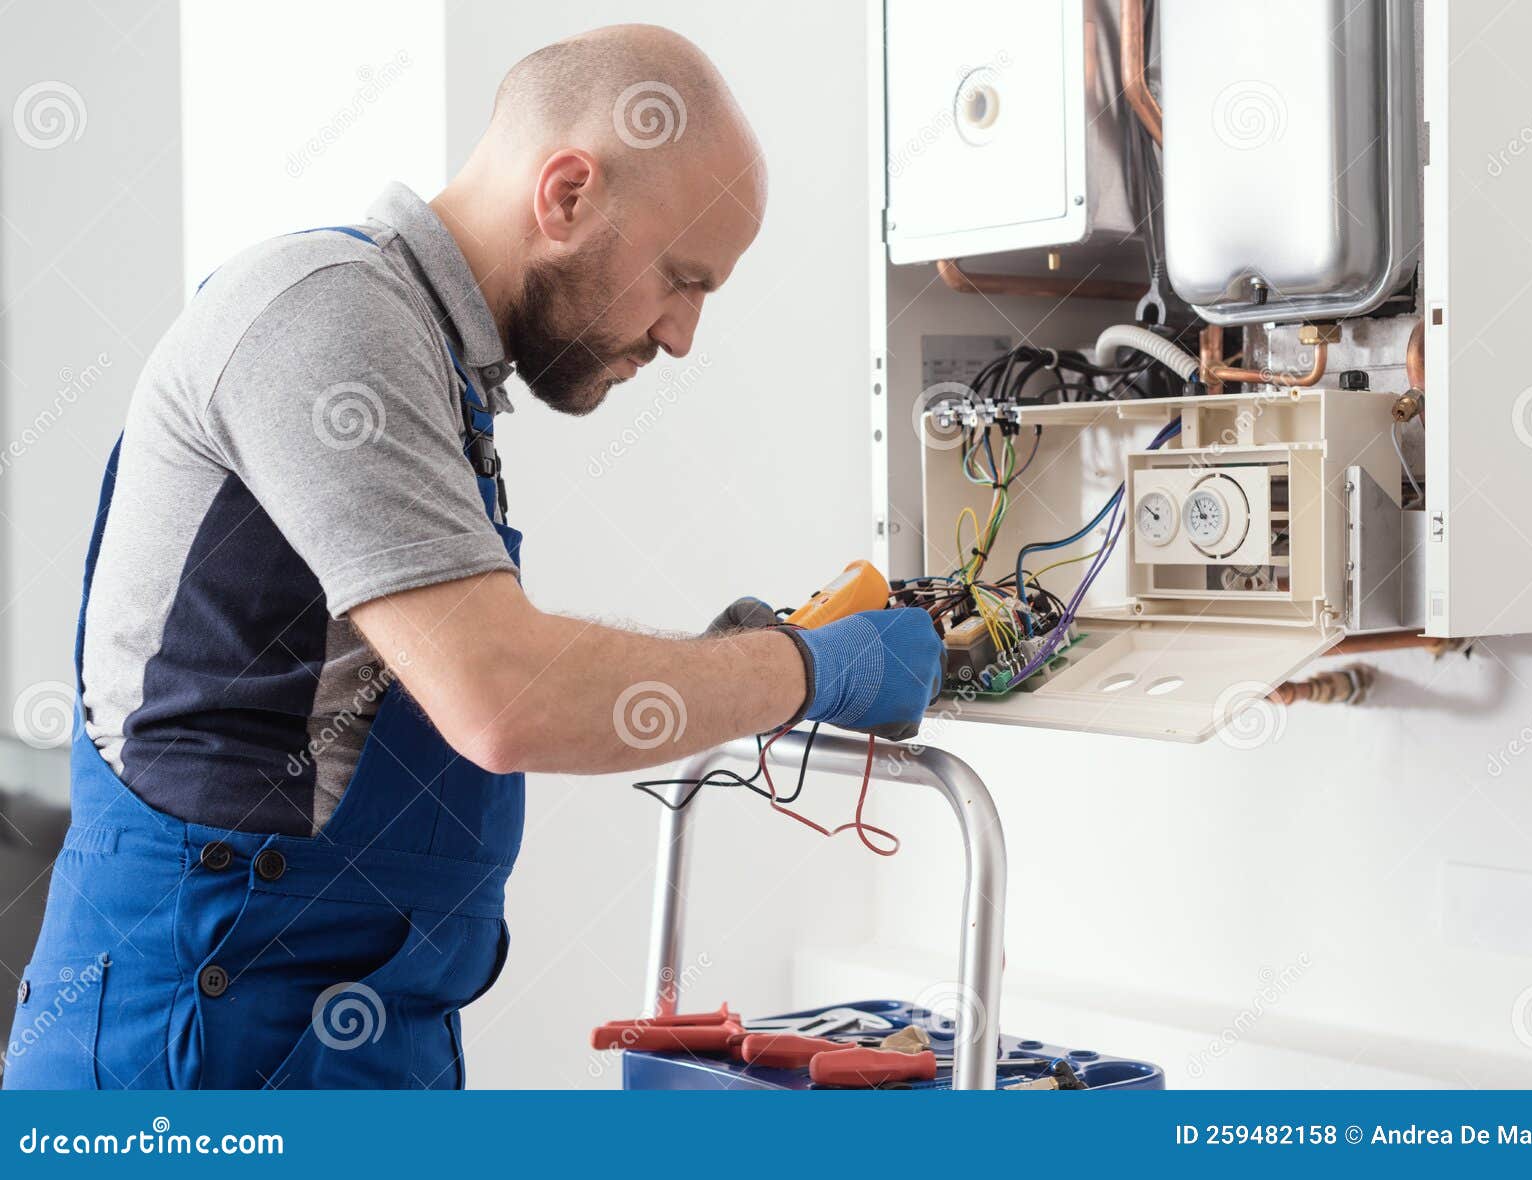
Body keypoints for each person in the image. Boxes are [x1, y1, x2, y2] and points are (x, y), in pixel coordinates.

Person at [3, 24, 941, 1090]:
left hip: (345, 1047)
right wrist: (813, 671)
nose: (681, 335)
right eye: (683, 281)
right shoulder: (330, 316)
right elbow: (501, 694)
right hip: (194, 1059)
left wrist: (744, 661)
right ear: (568, 194)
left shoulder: (432, 369)